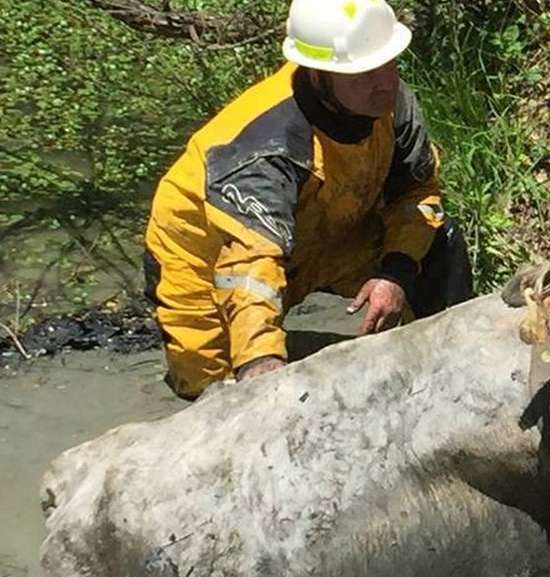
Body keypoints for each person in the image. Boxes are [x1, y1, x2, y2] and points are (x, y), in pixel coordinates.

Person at [143, 0, 472, 399]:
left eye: (390, 63)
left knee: (440, 242)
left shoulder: (389, 100)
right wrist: (261, 362)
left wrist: (395, 274)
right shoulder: (264, 145)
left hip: (328, 230)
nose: (385, 82)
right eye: (365, 73)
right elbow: (249, 267)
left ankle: (447, 371)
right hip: (208, 256)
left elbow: (417, 194)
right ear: (321, 74)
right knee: (212, 391)